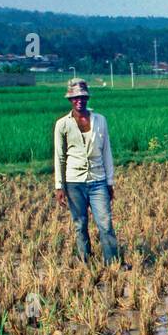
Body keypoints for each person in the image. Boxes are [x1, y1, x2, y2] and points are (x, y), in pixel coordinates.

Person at [54, 78, 123, 265]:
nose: (79, 100)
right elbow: (60, 157)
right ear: (70, 99)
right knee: (80, 224)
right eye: (75, 97)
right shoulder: (62, 124)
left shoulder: (100, 120)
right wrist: (59, 186)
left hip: (98, 179)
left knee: (105, 223)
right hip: (74, 181)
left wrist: (110, 182)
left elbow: (106, 151)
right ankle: (85, 260)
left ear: (87, 97)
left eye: (82, 97)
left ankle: (113, 261)